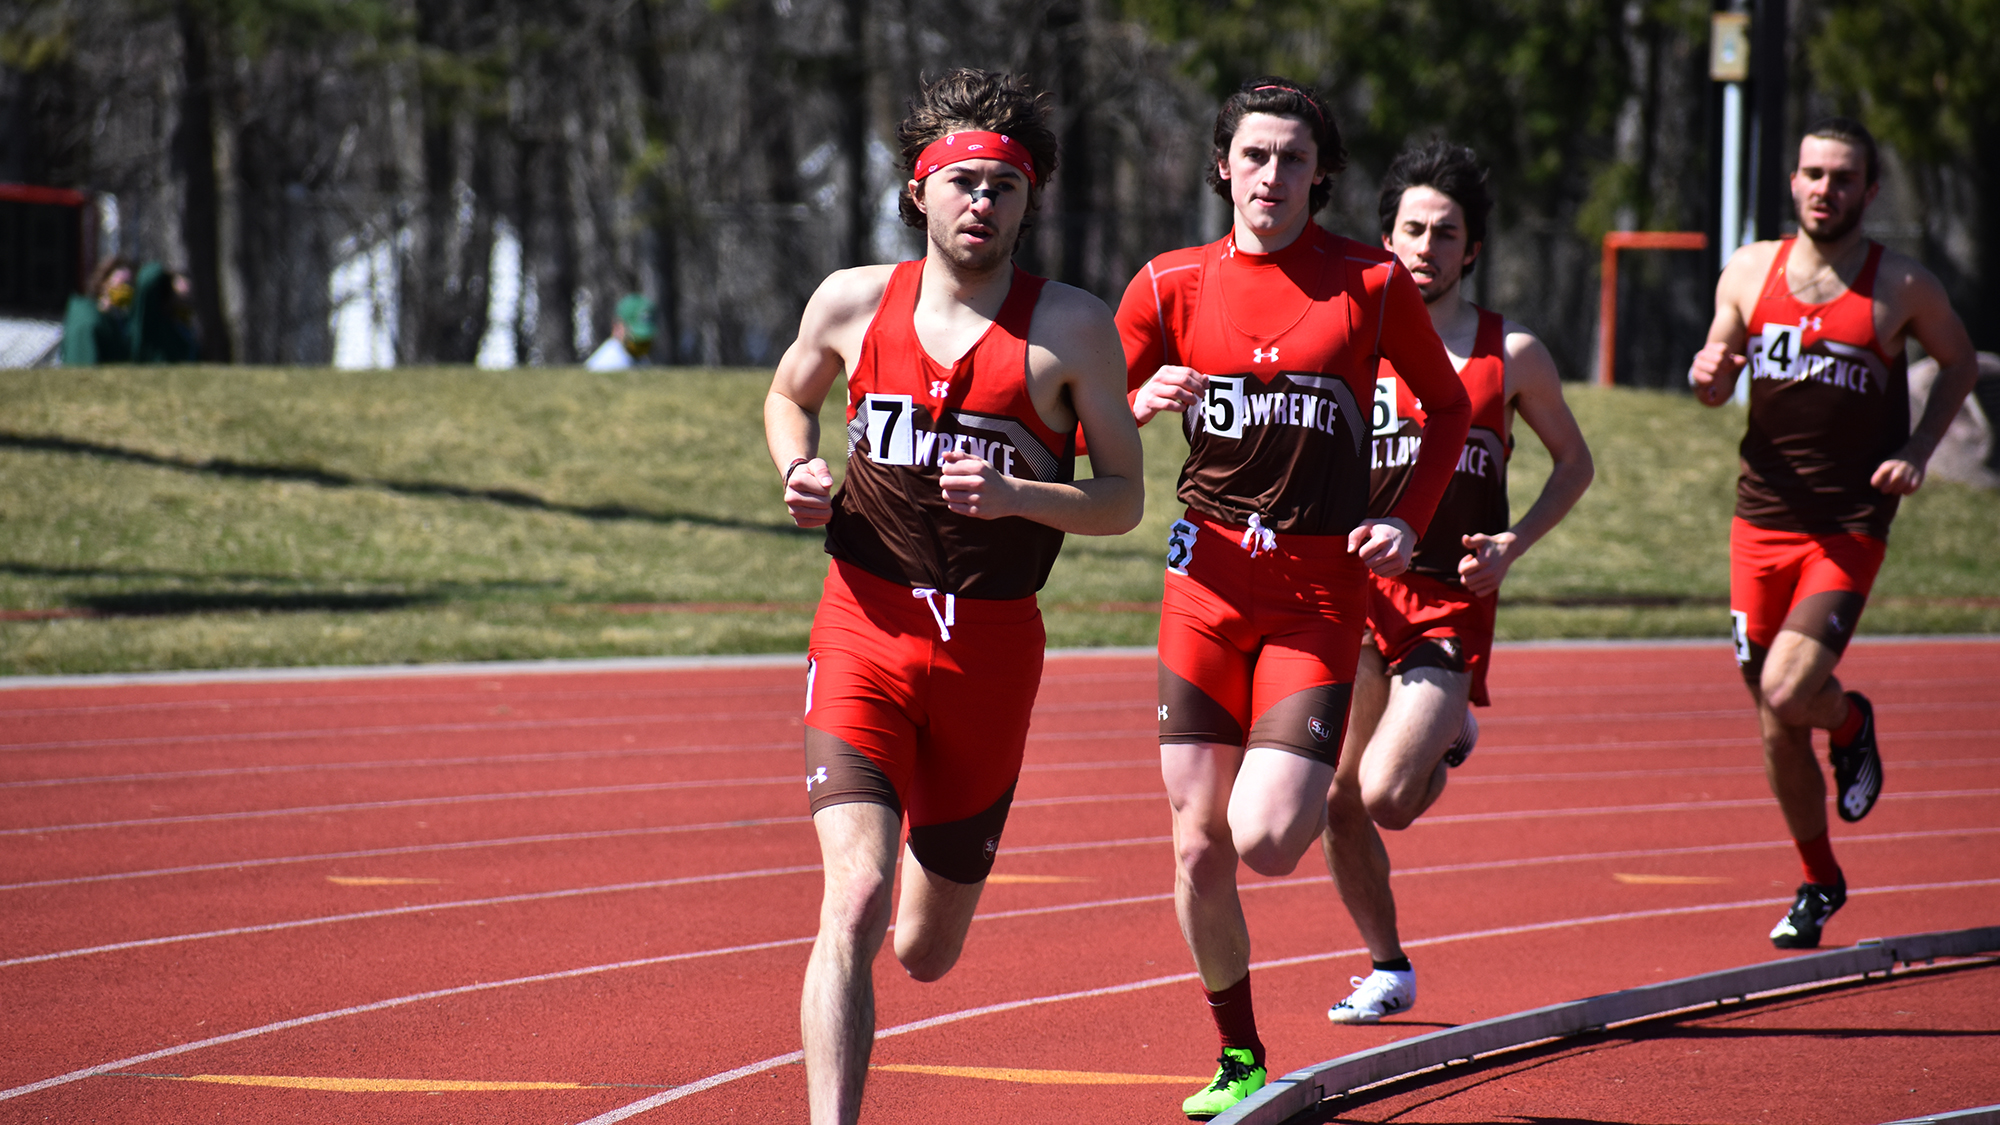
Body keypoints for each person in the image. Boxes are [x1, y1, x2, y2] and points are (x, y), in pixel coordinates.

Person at [764, 68, 1143, 1125]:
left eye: (1005, 188)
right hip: (861, 631)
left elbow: (1121, 499)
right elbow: (787, 396)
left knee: (925, 951)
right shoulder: (849, 301)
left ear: (1030, 202)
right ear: (918, 193)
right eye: (963, 182)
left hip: (987, 657)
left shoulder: (1069, 329)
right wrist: (795, 468)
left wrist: (1022, 491)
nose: (983, 203)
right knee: (854, 896)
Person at [1115, 78, 1470, 1120]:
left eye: (1293, 160)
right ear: (1221, 164)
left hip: (1316, 595)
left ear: (1322, 177)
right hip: (1202, 585)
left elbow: (1443, 408)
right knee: (1193, 843)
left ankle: (1413, 742)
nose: (1271, 176)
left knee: (1265, 842)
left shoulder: (1365, 283)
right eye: (1254, 156)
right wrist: (1137, 402)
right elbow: (1085, 420)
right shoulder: (1168, 283)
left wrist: (1405, 518)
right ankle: (1237, 1056)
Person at [1320, 141, 1594, 1023]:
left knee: (1389, 796)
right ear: (1386, 237)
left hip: (1448, 593)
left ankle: (1447, 731)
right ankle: (1387, 965)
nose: (1426, 247)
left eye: (1446, 233)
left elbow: (1575, 464)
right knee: (1335, 797)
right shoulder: (1351, 339)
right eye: (1411, 229)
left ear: (1471, 248)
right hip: (1354, 590)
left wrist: (1512, 543)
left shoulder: (1508, 350)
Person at [1688, 116, 1978, 950]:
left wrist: (1920, 447)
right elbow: (1716, 372)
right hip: (1761, 521)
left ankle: (1849, 724)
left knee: (1789, 690)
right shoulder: (1750, 270)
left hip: (1847, 525)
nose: (1826, 190)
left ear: (1870, 191)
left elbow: (1958, 361)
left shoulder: (1904, 287)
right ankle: (1819, 879)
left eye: (1844, 178)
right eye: (1813, 174)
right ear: (1793, 182)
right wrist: (1710, 373)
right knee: (1776, 722)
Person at [585, 292, 657, 369]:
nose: (642, 342)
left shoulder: (641, 360)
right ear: (617, 326)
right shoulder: (608, 364)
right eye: (635, 335)